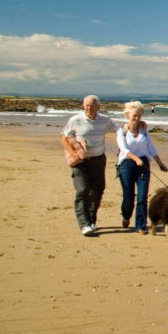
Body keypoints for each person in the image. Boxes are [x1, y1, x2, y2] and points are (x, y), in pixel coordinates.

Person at [62, 95, 117, 235]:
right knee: (82, 190)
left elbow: (119, 130)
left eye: (92, 105)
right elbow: (64, 138)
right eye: (86, 105)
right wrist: (73, 154)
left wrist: (139, 126)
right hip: (80, 162)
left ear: (98, 107)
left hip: (98, 160)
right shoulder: (75, 120)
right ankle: (84, 224)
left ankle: (92, 220)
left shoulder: (104, 120)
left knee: (98, 190)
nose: (88, 108)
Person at [116, 101, 168, 234]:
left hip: (143, 163)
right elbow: (124, 149)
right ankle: (126, 215)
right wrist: (136, 159)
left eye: (139, 115)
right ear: (127, 115)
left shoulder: (144, 130)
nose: (137, 118)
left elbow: (151, 147)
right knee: (128, 197)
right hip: (127, 164)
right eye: (134, 115)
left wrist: (159, 162)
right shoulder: (122, 131)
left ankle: (141, 225)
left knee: (142, 196)